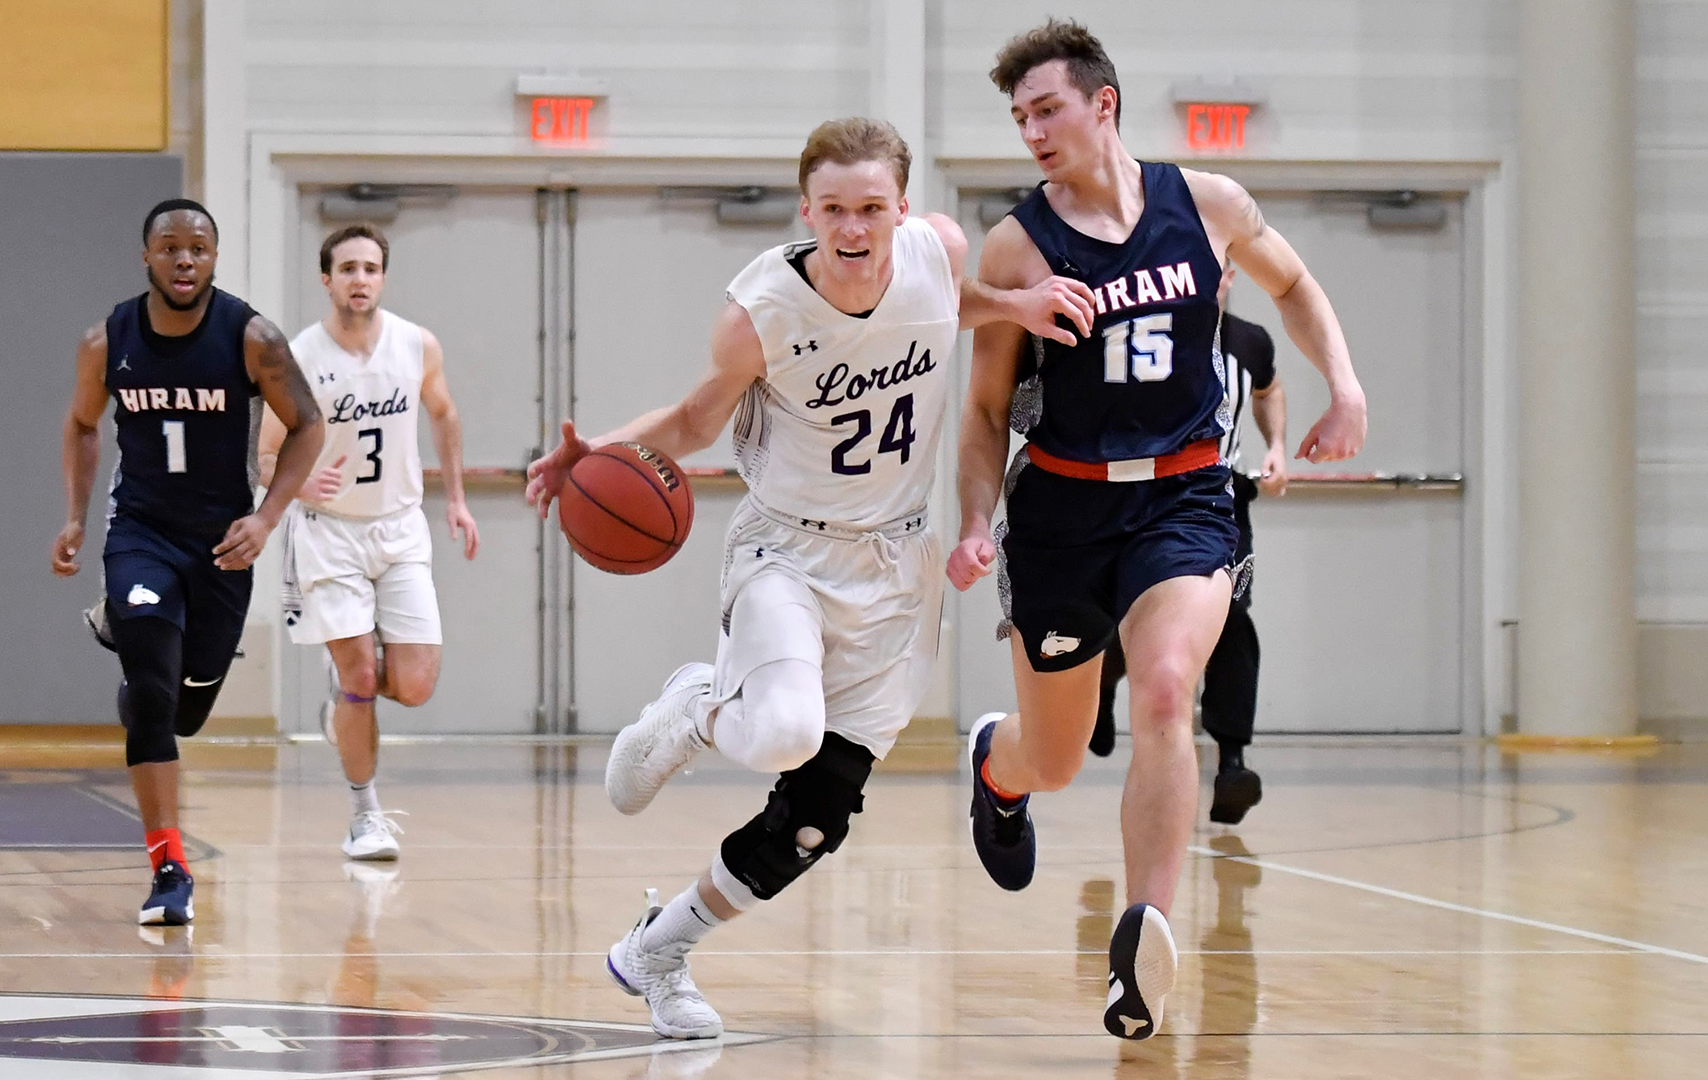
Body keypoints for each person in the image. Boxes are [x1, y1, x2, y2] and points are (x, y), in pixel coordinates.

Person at [525, 118, 1090, 1039]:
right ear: (807, 211)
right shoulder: (760, 311)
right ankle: (702, 706)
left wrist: (1014, 309)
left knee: (815, 821)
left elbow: (952, 296)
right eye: (835, 210)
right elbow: (698, 422)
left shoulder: (936, 251)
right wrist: (599, 455)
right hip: (786, 552)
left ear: (903, 208)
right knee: (783, 728)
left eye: (872, 207)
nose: (855, 227)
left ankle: (658, 952)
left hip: (900, 566)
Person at [949, 20, 1367, 1040]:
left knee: (1170, 689)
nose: (1033, 131)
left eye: (1047, 109)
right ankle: (998, 773)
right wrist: (971, 519)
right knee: (1053, 756)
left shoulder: (1207, 205)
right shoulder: (1018, 244)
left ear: (1105, 103)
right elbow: (984, 406)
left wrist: (1343, 383)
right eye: (1019, 118)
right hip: (1061, 507)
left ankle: (1144, 936)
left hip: (1183, 497)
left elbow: (1296, 286)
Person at [52, 199, 324, 925]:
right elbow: (82, 424)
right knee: (149, 688)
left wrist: (266, 519)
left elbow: (309, 425)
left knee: (188, 709)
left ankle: (152, 668)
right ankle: (169, 868)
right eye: (169, 248)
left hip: (221, 543)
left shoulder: (250, 337)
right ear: (146, 256)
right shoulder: (107, 339)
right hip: (140, 532)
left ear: (214, 258)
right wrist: (77, 518)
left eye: (197, 249)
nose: (183, 260)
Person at [258, 224, 480, 862]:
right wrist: (302, 484)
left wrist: (458, 500)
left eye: (371, 268)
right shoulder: (297, 358)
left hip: (400, 528)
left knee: (414, 685)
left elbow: (443, 412)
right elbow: (265, 456)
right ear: (325, 279)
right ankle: (365, 815)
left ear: (384, 277)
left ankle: (346, 693)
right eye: (348, 268)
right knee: (360, 676)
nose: (360, 279)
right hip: (329, 533)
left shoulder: (417, 345)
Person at [1090, 269, 1289, 830]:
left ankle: (1232, 760)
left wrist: (1275, 445)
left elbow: (1270, 389)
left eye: (1220, 268)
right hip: (1141, 495)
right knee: (1131, 615)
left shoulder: (1249, 340)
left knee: (1231, 620)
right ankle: (1101, 688)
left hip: (1222, 501)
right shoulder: (1141, 336)